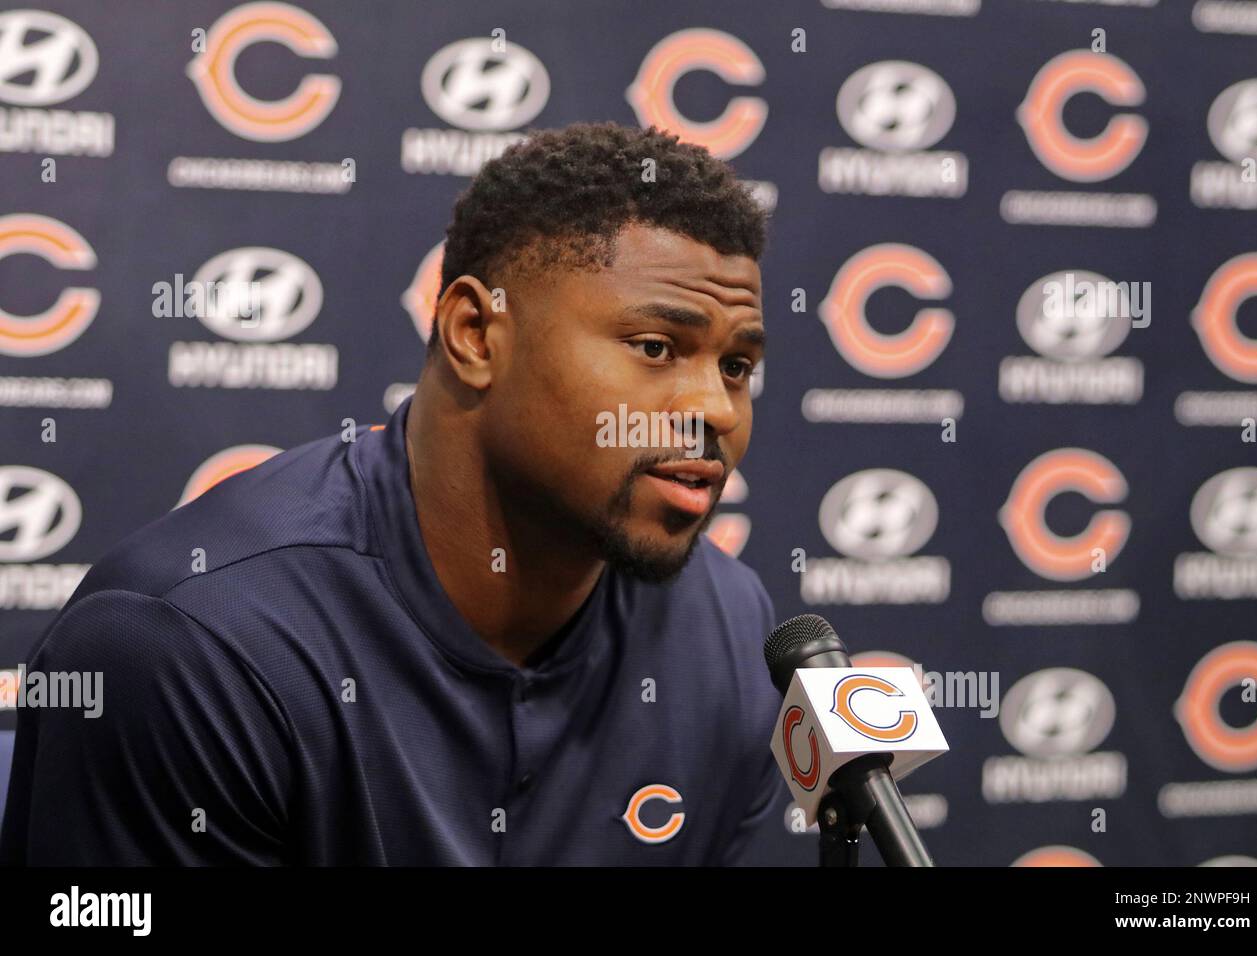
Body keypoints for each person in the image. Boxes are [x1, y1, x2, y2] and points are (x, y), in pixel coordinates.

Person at [0, 121, 783, 865]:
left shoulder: (731, 631)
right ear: (476, 333)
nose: (715, 410)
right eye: (655, 347)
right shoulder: (193, 645)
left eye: (736, 367)